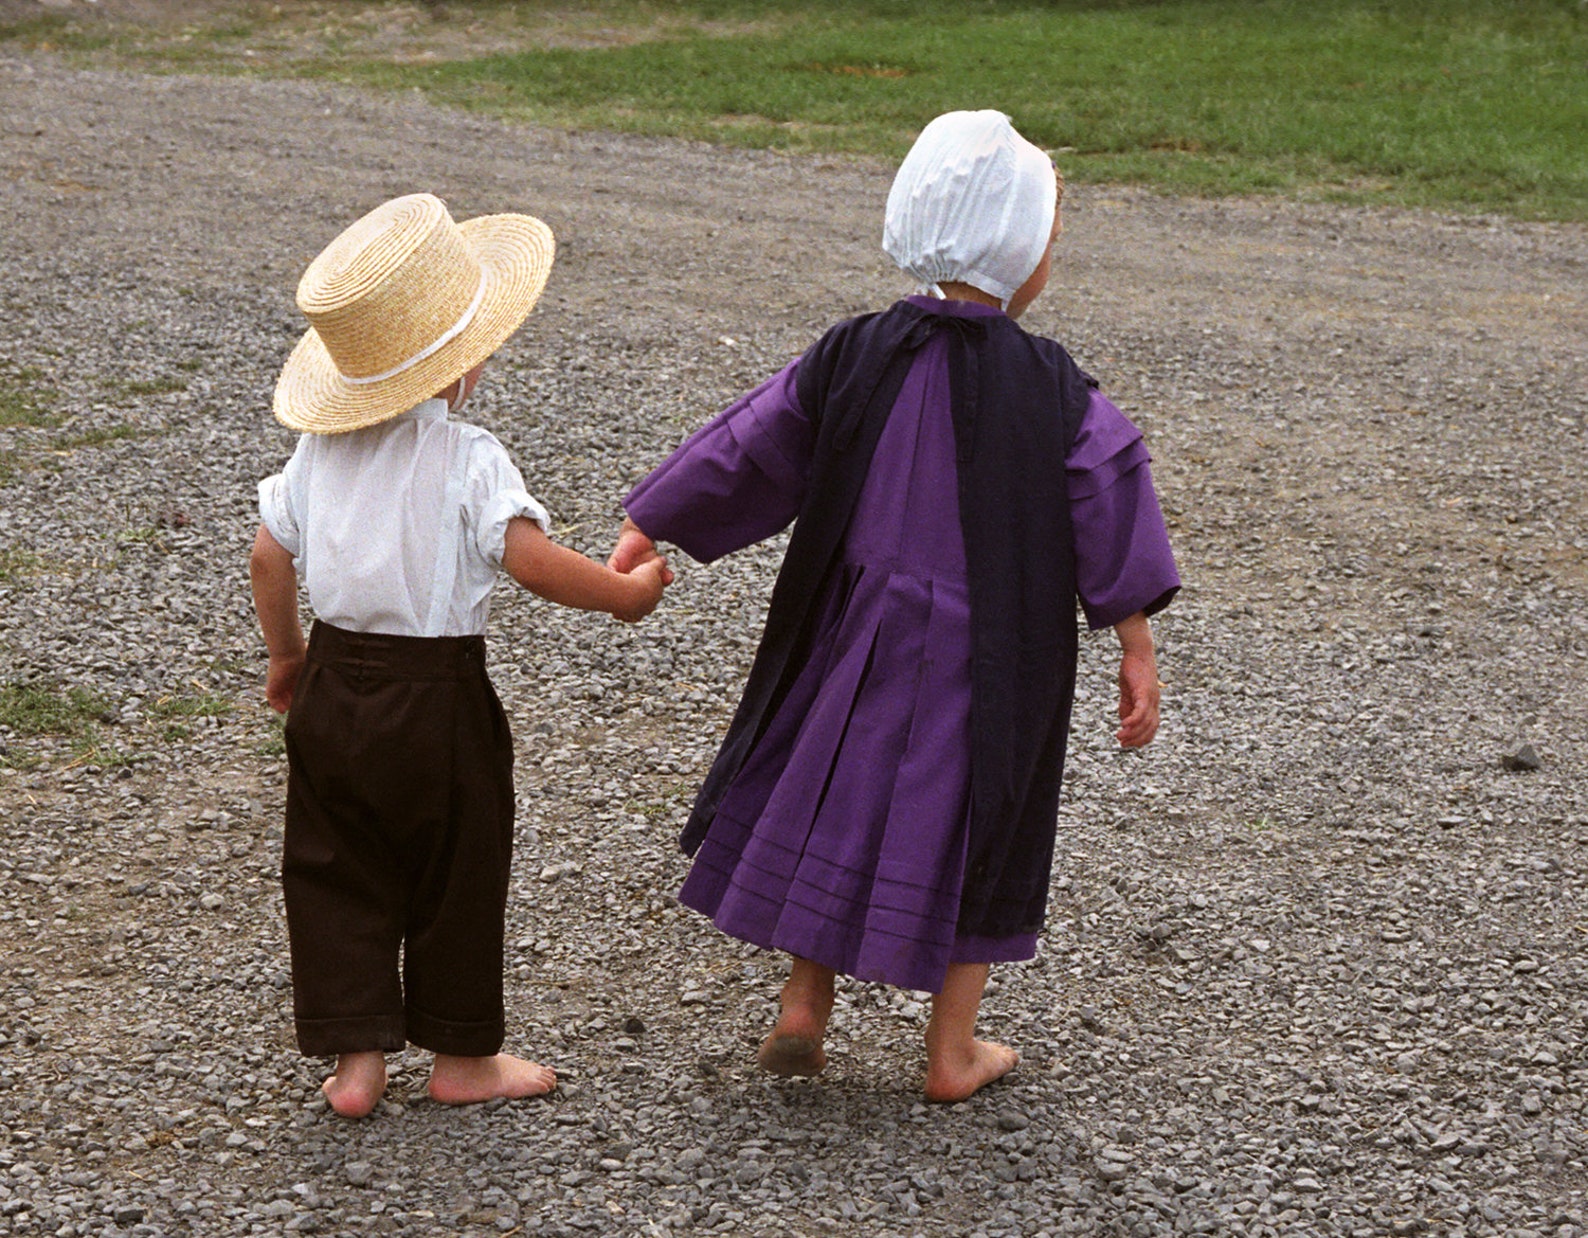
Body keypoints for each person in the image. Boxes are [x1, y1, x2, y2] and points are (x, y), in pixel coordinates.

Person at [609, 111, 1179, 1102]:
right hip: (992, 658)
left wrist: (652, 518)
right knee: (982, 818)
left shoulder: (855, 352)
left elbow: (753, 444)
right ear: (1019, 253)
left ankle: (804, 1002)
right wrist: (1135, 639)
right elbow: (1107, 497)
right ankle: (951, 1051)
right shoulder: (1055, 390)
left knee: (834, 787)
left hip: (853, 630)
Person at [250, 193, 671, 1118]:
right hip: (438, 698)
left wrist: (287, 657)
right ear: (464, 363)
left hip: (332, 685)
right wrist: (627, 597)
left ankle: (357, 1062)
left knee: (333, 865)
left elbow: (267, 556)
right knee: (458, 868)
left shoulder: (317, 453)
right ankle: (461, 1057)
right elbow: (529, 560)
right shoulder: (471, 458)